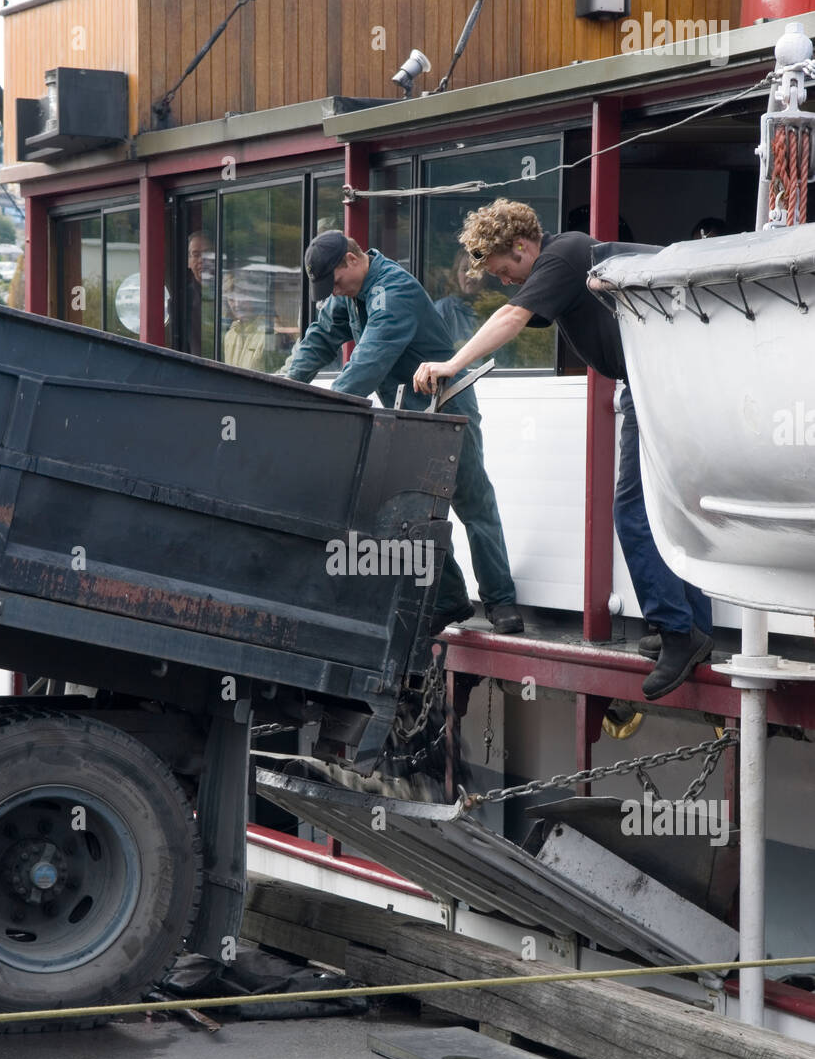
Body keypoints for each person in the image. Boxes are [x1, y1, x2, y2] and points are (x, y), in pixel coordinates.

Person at [412, 199, 713, 700]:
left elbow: (511, 317)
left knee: (632, 510)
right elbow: (519, 312)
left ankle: (679, 632)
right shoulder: (567, 261)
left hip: (661, 381)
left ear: (523, 246)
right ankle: (689, 627)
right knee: (665, 508)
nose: (504, 280)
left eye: (504, 268)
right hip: (659, 379)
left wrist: (451, 364)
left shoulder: (567, 253)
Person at [284, 229, 523, 635]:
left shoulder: (393, 293)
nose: (335, 292)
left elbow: (366, 366)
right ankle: (450, 599)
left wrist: (324, 410)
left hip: (449, 407)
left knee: (472, 500)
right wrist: (289, 385)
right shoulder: (353, 294)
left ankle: (500, 600)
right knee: (409, 515)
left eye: (335, 282)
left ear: (351, 260)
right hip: (407, 416)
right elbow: (321, 338)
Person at [433, 251, 484, 348]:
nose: (470, 274)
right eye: (465, 270)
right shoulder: (443, 309)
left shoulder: (496, 306)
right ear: (456, 274)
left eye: (476, 268)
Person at [186, 231, 214, 357]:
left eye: (207, 254)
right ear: (189, 262)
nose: (202, 260)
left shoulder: (233, 295)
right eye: (196, 255)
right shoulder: (182, 301)